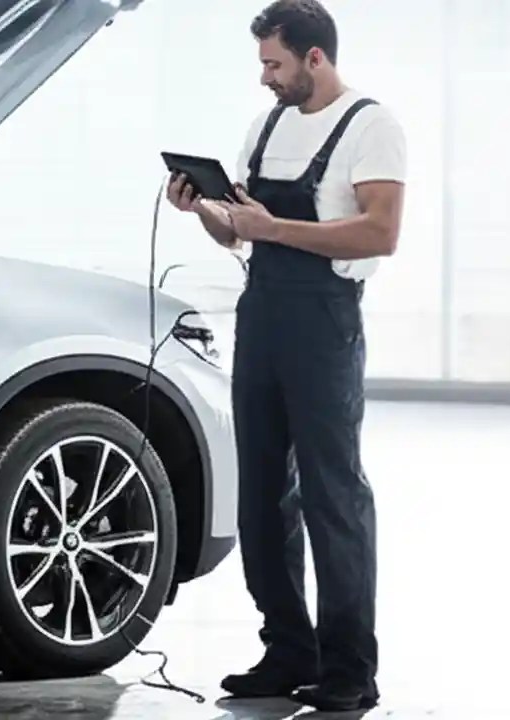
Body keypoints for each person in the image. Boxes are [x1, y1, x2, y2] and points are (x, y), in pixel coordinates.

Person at [166, 0, 406, 712]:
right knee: (262, 495)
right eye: (262, 64)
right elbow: (240, 235)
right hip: (261, 316)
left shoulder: (372, 126)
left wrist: (276, 227)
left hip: (324, 323)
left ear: (315, 58)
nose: (265, 78)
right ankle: (287, 648)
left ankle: (349, 666)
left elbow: (379, 234)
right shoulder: (265, 127)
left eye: (274, 63)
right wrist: (205, 212)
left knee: (334, 496)